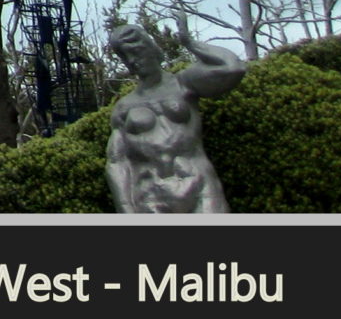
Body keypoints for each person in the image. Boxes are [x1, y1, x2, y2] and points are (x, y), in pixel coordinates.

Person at [104, 21, 245, 213]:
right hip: (150, 195)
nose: (133, 60)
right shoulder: (124, 107)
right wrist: (125, 208)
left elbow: (232, 68)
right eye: (125, 56)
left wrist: (190, 43)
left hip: (199, 185)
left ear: (151, 48)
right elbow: (117, 162)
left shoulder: (184, 84)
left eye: (136, 52)